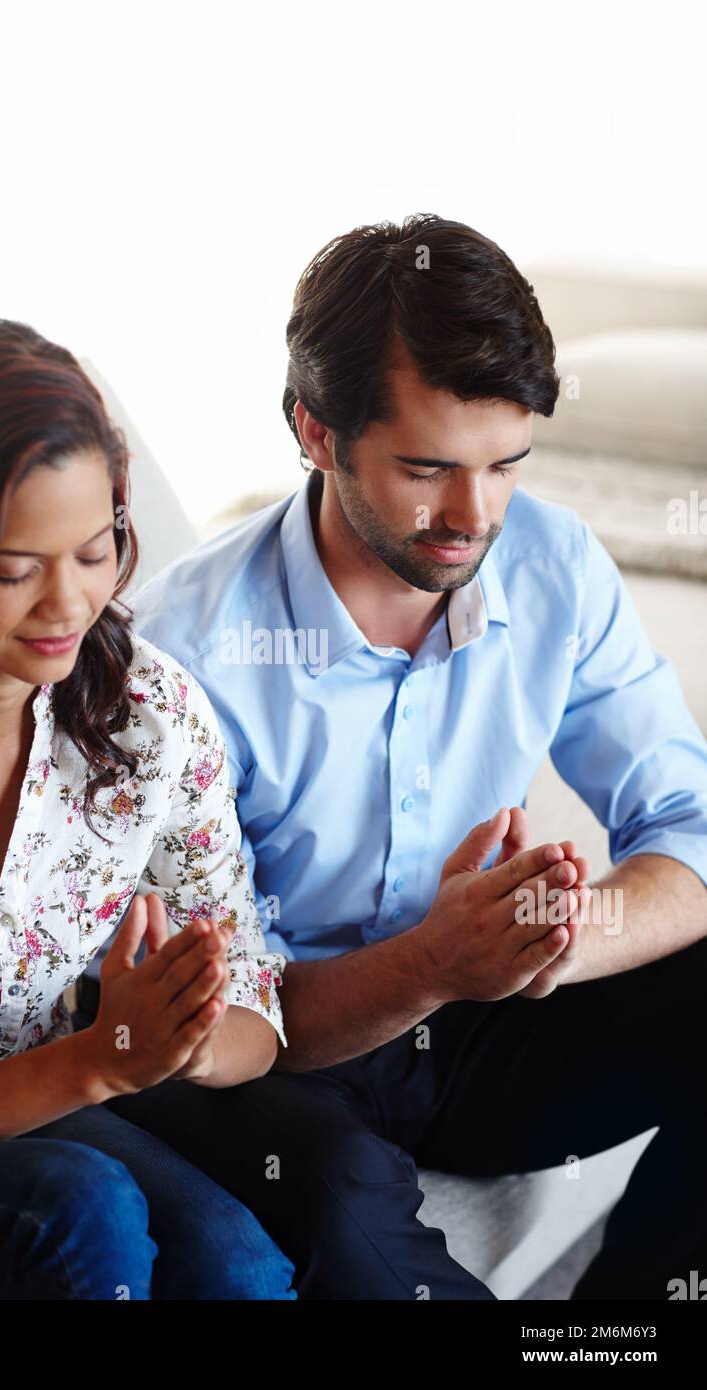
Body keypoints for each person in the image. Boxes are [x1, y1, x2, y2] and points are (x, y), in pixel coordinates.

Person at [101, 214, 707, 1300]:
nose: (473, 520)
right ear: (315, 430)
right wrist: (435, 960)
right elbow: (222, 1011)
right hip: (285, 1045)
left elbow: (687, 829)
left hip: (483, 1026)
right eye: (427, 468)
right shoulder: (184, 652)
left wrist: (559, 935)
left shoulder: (553, 565)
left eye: (505, 465)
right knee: (335, 1192)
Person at [0, 319, 295, 1300]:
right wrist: (99, 1062)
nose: (68, 604)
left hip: (39, 1104)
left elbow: (251, 981)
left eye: (96, 551)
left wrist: (188, 1031)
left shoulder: (148, 711)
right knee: (80, 1209)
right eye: (14, 570)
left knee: (240, 1266)